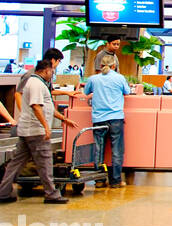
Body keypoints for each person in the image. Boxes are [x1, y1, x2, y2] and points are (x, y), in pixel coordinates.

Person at [0, 59, 73, 204]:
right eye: (52, 71)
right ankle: (51, 194)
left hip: (28, 130)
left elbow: (47, 107)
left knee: (16, 163)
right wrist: (46, 126)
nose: (52, 74)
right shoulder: (36, 84)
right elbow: (36, 106)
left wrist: (63, 119)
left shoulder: (36, 83)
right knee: (45, 162)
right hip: (35, 131)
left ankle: (3, 192)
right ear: (46, 70)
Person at [82, 54, 132, 188]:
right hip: (116, 118)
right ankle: (116, 181)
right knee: (117, 151)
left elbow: (86, 92)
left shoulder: (93, 79)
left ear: (100, 65)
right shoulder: (120, 78)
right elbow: (127, 92)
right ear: (114, 66)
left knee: (99, 149)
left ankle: (99, 180)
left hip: (99, 119)